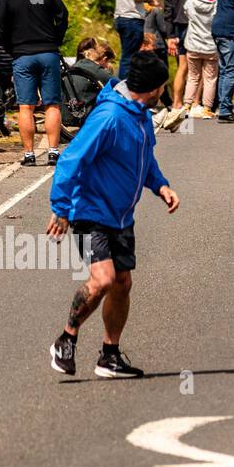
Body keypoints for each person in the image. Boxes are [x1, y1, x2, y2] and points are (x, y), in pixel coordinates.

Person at [46, 51, 181, 379]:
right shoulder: (109, 117)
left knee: (121, 283)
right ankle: (66, 339)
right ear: (151, 89)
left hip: (120, 216)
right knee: (104, 278)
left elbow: (144, 158)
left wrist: (160, 186)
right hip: (89, 212)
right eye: (162, 87)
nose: (163, 92)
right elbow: (70, 160)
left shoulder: (140, 115)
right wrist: (61, 209)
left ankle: (109, 355)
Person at [0, 0, 68, 166]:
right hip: (48, 52)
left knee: (25, 106)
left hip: (22, 55)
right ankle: (53, 151)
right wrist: (55, 39)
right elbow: (62, 17)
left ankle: (29, 154)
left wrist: (12, 48)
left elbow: (1, 28)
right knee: (51, 104)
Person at [162, 0, 202, 111]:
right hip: (200, 27)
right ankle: (195, 103)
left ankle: (177, 103)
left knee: (183, 67)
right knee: (199, 66)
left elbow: (168, 12)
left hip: (181, 28)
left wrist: (170, 36)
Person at [182, 0, 220, 119]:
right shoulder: (218, 2)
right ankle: (206, 109)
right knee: (210, 78)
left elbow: (187, 14)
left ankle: (186, 106)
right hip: (210, 45)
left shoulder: (191, 0)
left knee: (193, 76)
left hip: (193, 44)